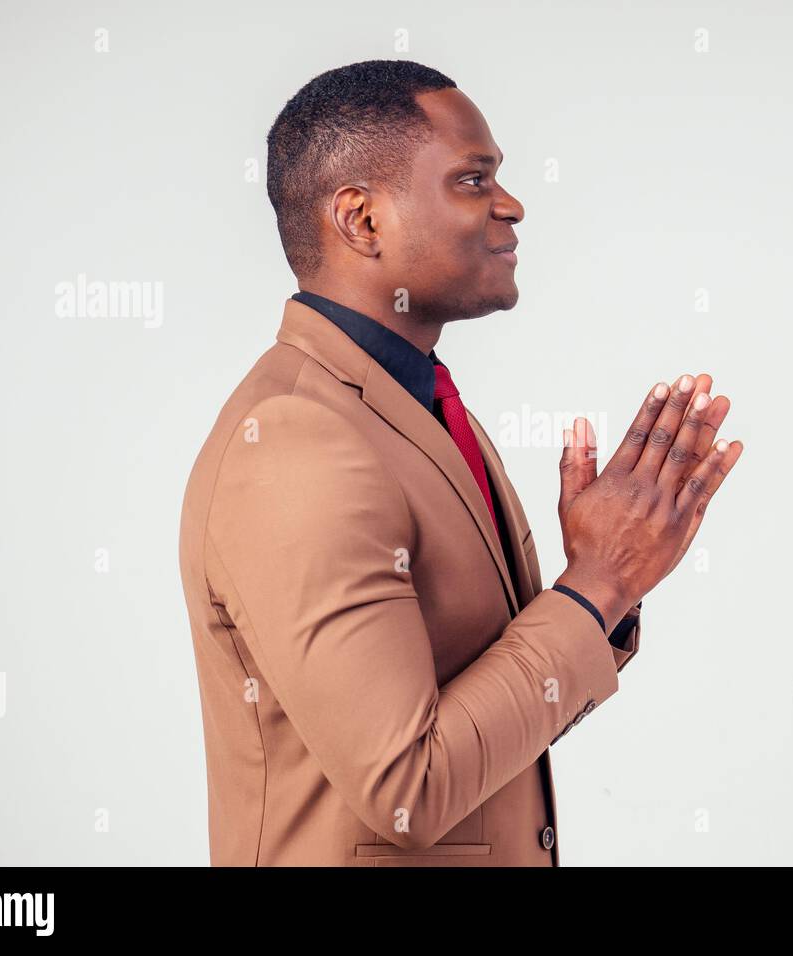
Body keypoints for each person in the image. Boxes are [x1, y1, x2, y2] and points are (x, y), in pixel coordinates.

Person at [178, 59, 744, 866]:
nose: (510, 205)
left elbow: (492, 722)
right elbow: (410, 787)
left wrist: (606, 587)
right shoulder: (298, 439)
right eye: (473, 180)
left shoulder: (428, 409)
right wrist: (599, 583)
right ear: (362, 220)